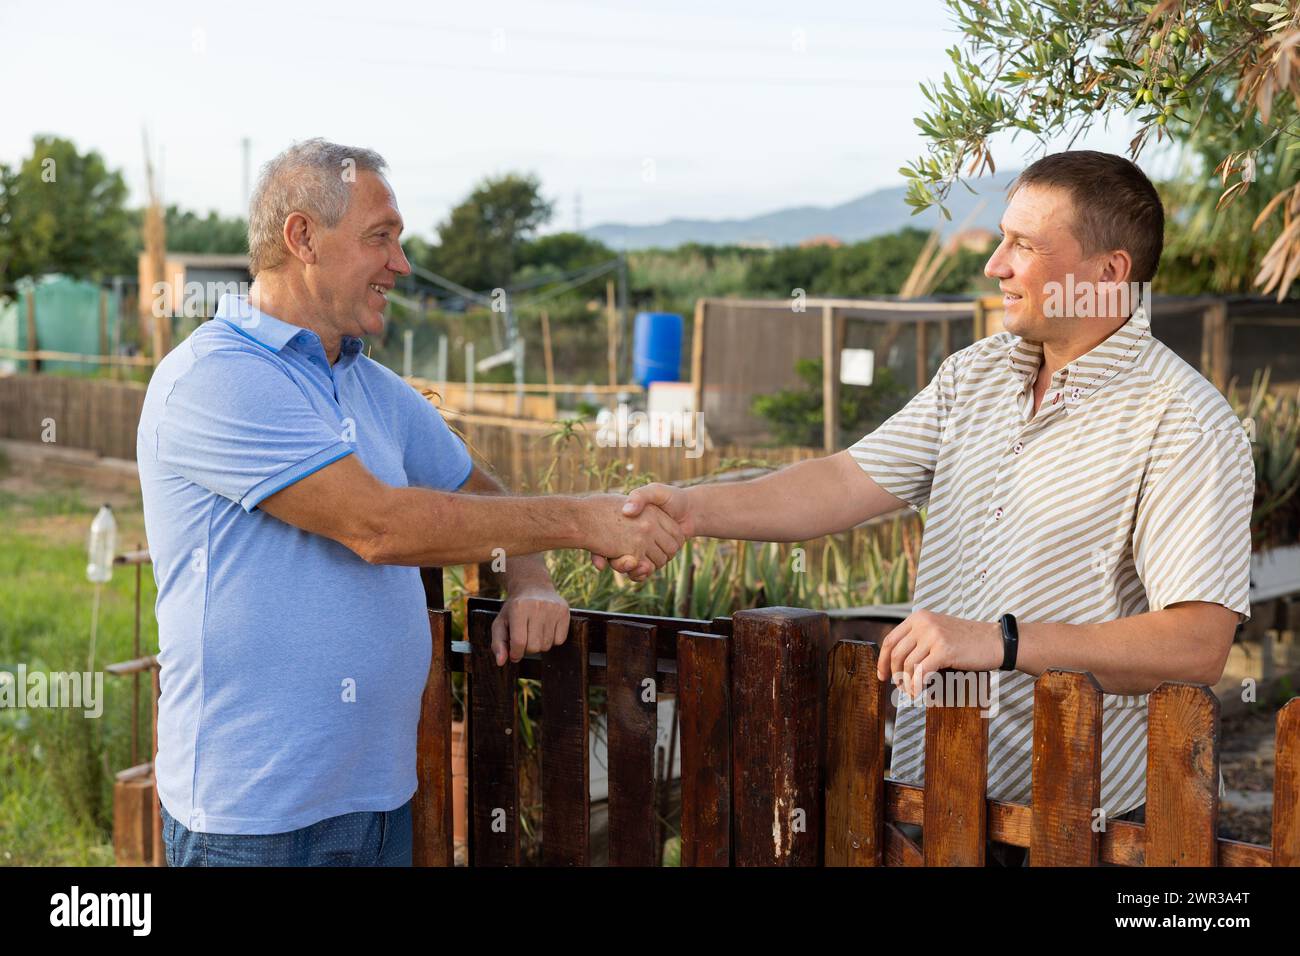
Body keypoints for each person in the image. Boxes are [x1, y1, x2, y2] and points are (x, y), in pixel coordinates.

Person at [608, 150, 1254, 855]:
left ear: (1109, 273)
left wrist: (1001, 640)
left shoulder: (1185, 421)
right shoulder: (972, 374)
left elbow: (1197, 644)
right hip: (937, 799)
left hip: (1089, 825)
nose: (995, 265)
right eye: (1002, 238)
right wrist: (694, 509)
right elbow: (843, 482)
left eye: (1025, 246)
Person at [139, 139, 685, 866]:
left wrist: (528, 575)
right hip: (253, 820)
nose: (400, 263)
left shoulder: (371, 388)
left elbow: (478, 489)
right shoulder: (216, 378)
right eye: (380, 238)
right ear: (302, 237)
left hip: (378, 803)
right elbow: (378, 525)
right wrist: (582, 518)